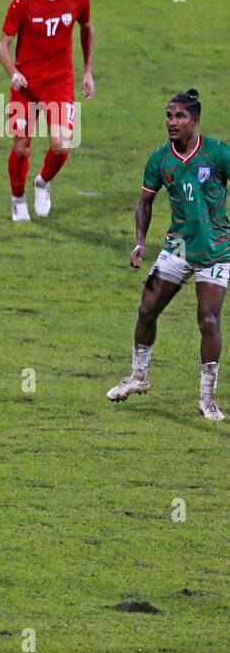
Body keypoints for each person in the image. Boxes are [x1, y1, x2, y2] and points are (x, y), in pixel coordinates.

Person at [107, 90, 227, 420]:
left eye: (179, 117)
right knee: (146, 309)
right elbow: (144, 202)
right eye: (169, 116)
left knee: (208, 319)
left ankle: (207, 398)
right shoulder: (161, 158)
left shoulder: (217, 153)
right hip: (178, 248)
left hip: (216, 252)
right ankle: (138, 378)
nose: (172, 122)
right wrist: (140, 242)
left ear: (195, 121)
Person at [0, 0, 94, 220]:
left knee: (62, 145)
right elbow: (2, 44)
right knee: (21, 145)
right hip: (26, 85)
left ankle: (42, 182)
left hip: (60, 83)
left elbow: (86, 28)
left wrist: (87, 71)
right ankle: (18, 200)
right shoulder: (22, 4)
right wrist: (13, 73)